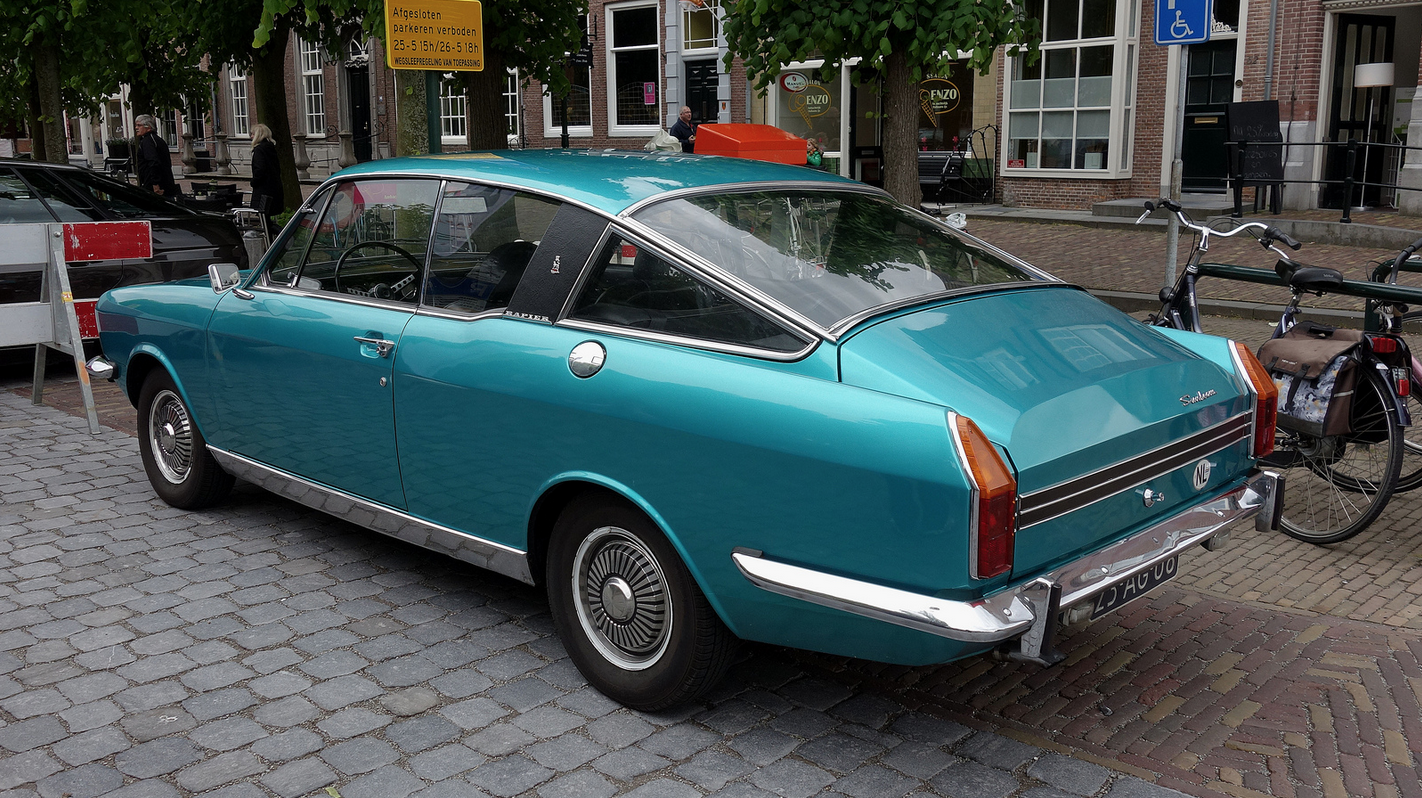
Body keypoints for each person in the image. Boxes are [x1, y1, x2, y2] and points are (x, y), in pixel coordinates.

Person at [133, 114, 179, 199]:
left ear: (148, 127)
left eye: (139, 125)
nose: (136, 128)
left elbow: (153, 162)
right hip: (166, 183)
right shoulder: (158, 140)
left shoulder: (148, 142)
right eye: (136, 125)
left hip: (155, 187)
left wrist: (155, 184)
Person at [248, 124, 283, 233]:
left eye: (253, 134)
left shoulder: (259, 150)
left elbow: (260, 170)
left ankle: (281, 238)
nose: (251, 137)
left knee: (265, 220)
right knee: (267, 220)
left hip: (263, 191)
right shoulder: (271, 148)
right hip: (274, 190)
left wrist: (253, 182)